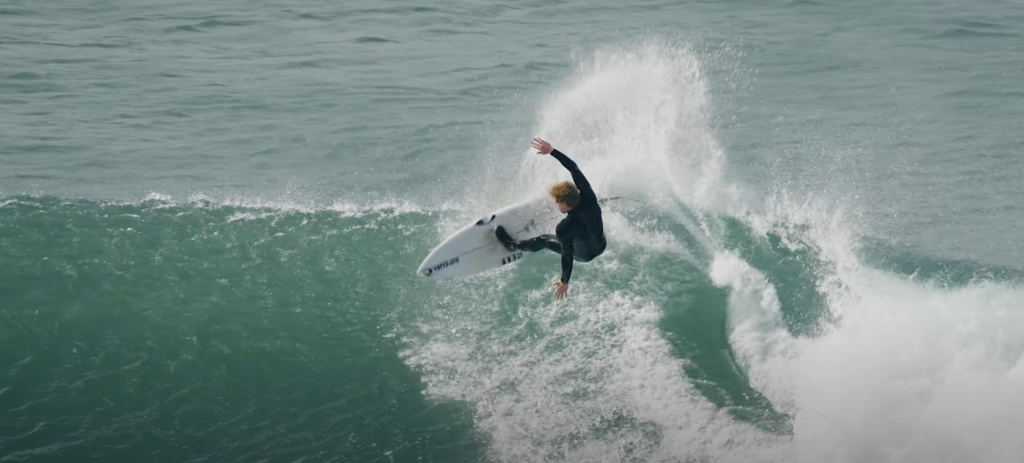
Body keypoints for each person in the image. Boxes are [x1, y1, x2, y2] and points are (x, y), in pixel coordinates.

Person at [495, 138, 606, 299]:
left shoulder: (564, 227)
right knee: (589, 220)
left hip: (585, 255)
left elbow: (567, 255)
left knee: (545, 240)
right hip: (601, 246)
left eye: (556, 201)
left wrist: (564, 281)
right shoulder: (588, 196)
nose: (555, 204)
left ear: (564, 203)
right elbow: (573, 168)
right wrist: (552, 151)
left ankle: (513, 245)